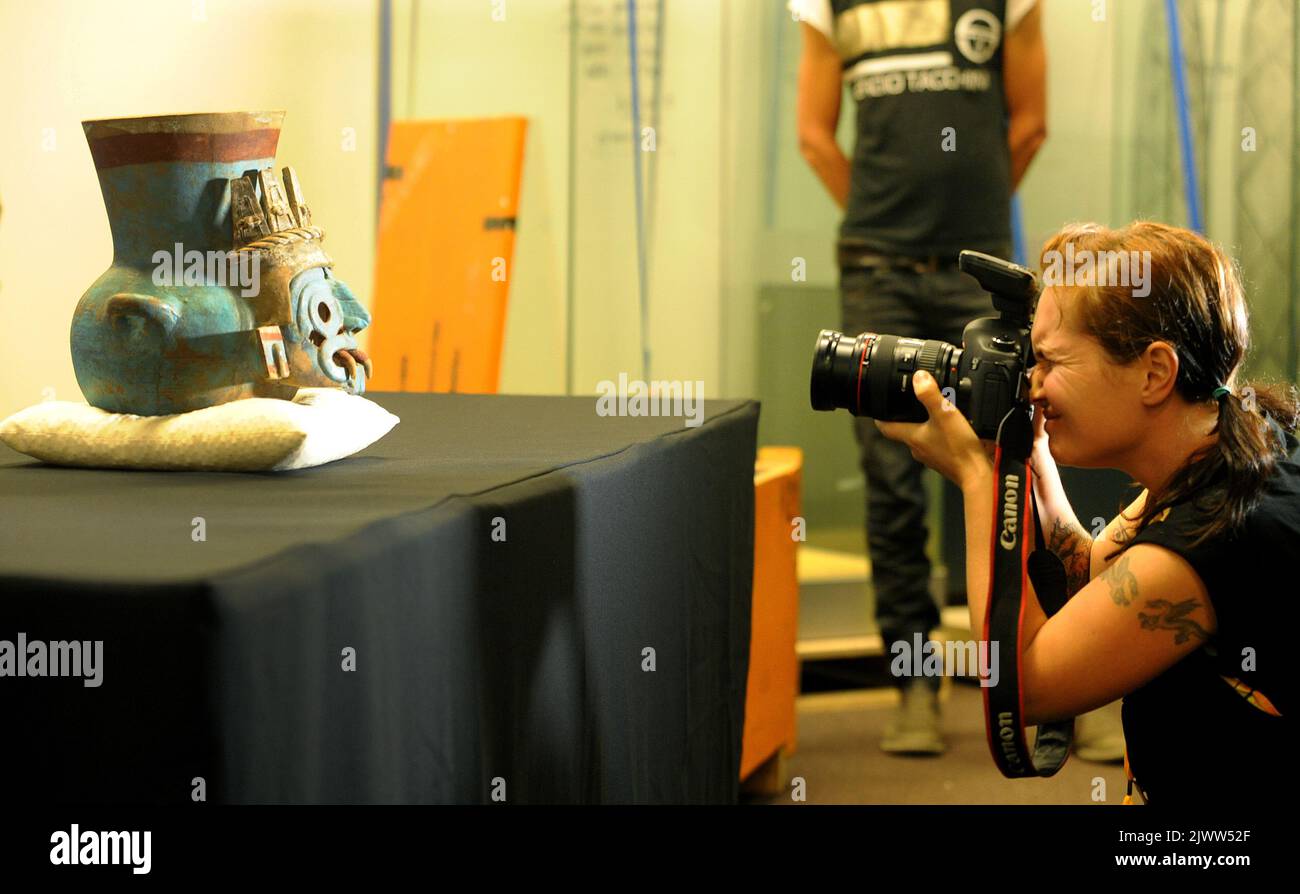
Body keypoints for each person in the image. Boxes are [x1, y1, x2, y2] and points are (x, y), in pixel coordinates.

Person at [877, 220, 1298, 804]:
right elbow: (1093, 577)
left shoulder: (1211, 538)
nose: (1033, 384)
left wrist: (978, 480)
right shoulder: (1243, 446)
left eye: (1052, 362)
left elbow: (1024, 689)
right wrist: (1029, 457)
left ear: (1155, 373)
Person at [792, 0, 1047, 753]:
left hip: (981, 272)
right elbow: (813, 135)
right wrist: (883, 220)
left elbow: (1030, 124)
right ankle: (914, 685)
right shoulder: (826, 7)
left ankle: (1041, 673)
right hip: (878, 270)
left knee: (1007, 458)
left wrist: (964, 211)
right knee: (893, 474)